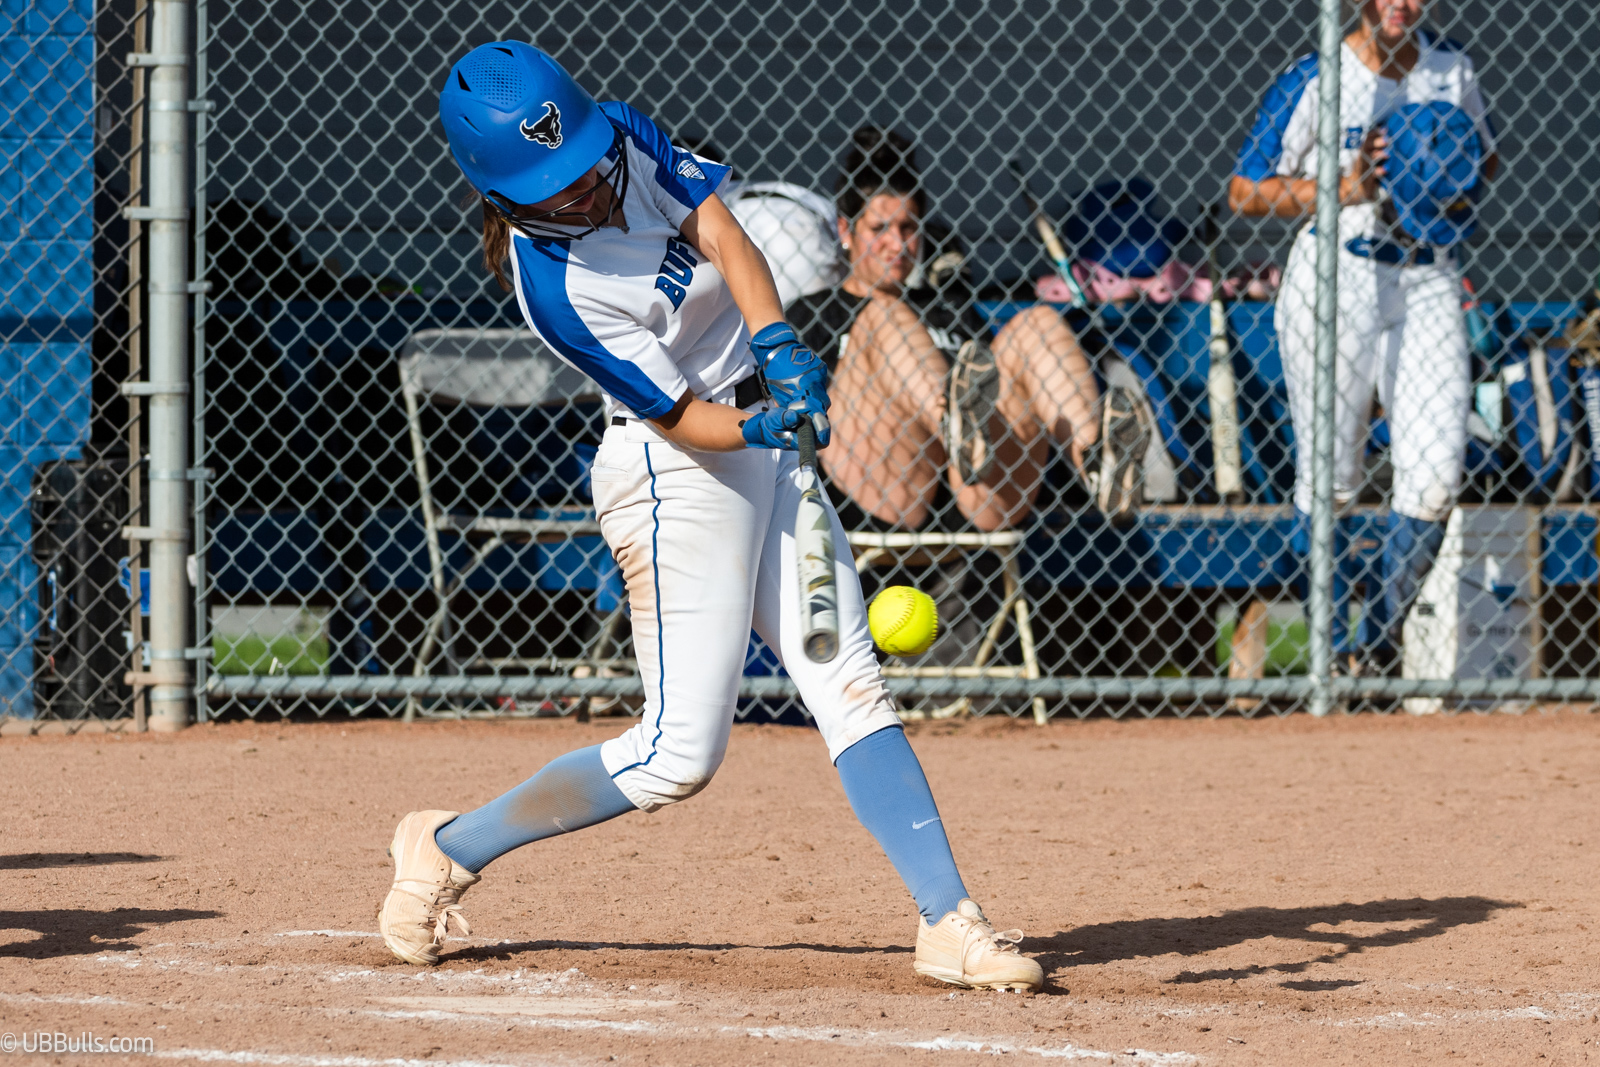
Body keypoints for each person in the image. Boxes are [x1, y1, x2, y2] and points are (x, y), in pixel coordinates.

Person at [376, 41, 1043, 994]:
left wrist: (777, 342)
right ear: (507, 197)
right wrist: (760, 422)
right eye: (560, 188)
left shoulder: (617, 137)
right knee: (677, 755)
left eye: (586, 163)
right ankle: (447, 845)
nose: (589, 187)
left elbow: (726, 236)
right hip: (675, 472)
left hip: (769, 443)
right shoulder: (554, 289)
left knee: (849, 682)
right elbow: (686, 418)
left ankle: (950, 921)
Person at [1228, 0, 1498, 673]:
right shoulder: (1320, 74)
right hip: (1337, 268)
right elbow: (1244, 190)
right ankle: (1322, 652)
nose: (1401, 4)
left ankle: (1372, 650)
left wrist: (1441, 176)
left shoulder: (1450, 67)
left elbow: (1486, 159)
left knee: (1435, 478)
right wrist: (1345, 186)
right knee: (1332, 481)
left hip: (1428, 272)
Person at [789, 128, 1101, 533]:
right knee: (885, 313)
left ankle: (1098, 460)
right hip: (881, 489)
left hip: (974, 494)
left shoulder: (948, 310)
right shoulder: (815, 313)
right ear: (847, 231)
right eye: (880, 229)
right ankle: (954, 427)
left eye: (908, 228)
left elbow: (998, 389)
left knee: (1038, 322)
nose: (897, 244)